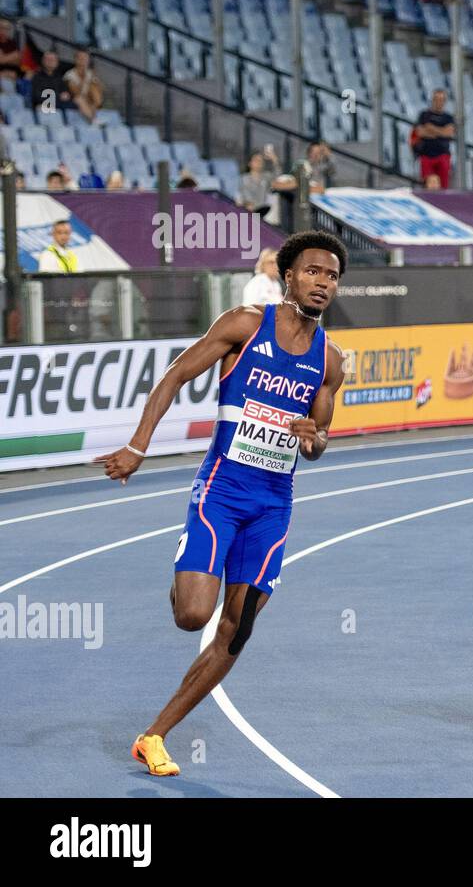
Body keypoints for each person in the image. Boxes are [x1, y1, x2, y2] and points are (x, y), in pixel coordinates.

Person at [96, 231, 347, 777]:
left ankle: (155, 734)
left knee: (240, 627)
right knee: (193, 615)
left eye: (331, 276)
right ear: (289, 276)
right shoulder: (244, 325)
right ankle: (190, 567)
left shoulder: (330, 360)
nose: (323, 283)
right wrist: (138, 446)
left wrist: (314, 438)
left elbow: (319, 442)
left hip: (273, 505)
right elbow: (174, 376)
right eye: (313, 272)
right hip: (221, 492)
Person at [413, 88, 454, 188]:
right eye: (436, 99)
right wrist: (441, 131)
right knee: (427, 185)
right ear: (432, 100)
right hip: (426, 155)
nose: (439, 102)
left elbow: (449, 133)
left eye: (441, 99)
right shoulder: (424, 115)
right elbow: (420, 132)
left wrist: (431, 128)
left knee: (444, 186)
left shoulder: (448, 117)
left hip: (442, 154)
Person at [63, 49, 104, 124]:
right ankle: (94, 120)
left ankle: (94, 118)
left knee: (94, 91)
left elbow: (98, 92)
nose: (83, 60)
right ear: (75, 59)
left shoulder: (91, 73)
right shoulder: (69, 74)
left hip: (88, 100)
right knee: (79, 99)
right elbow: (75, 92)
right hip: (73, 100)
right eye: (80, 58)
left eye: (85, 58)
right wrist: (84, 79)